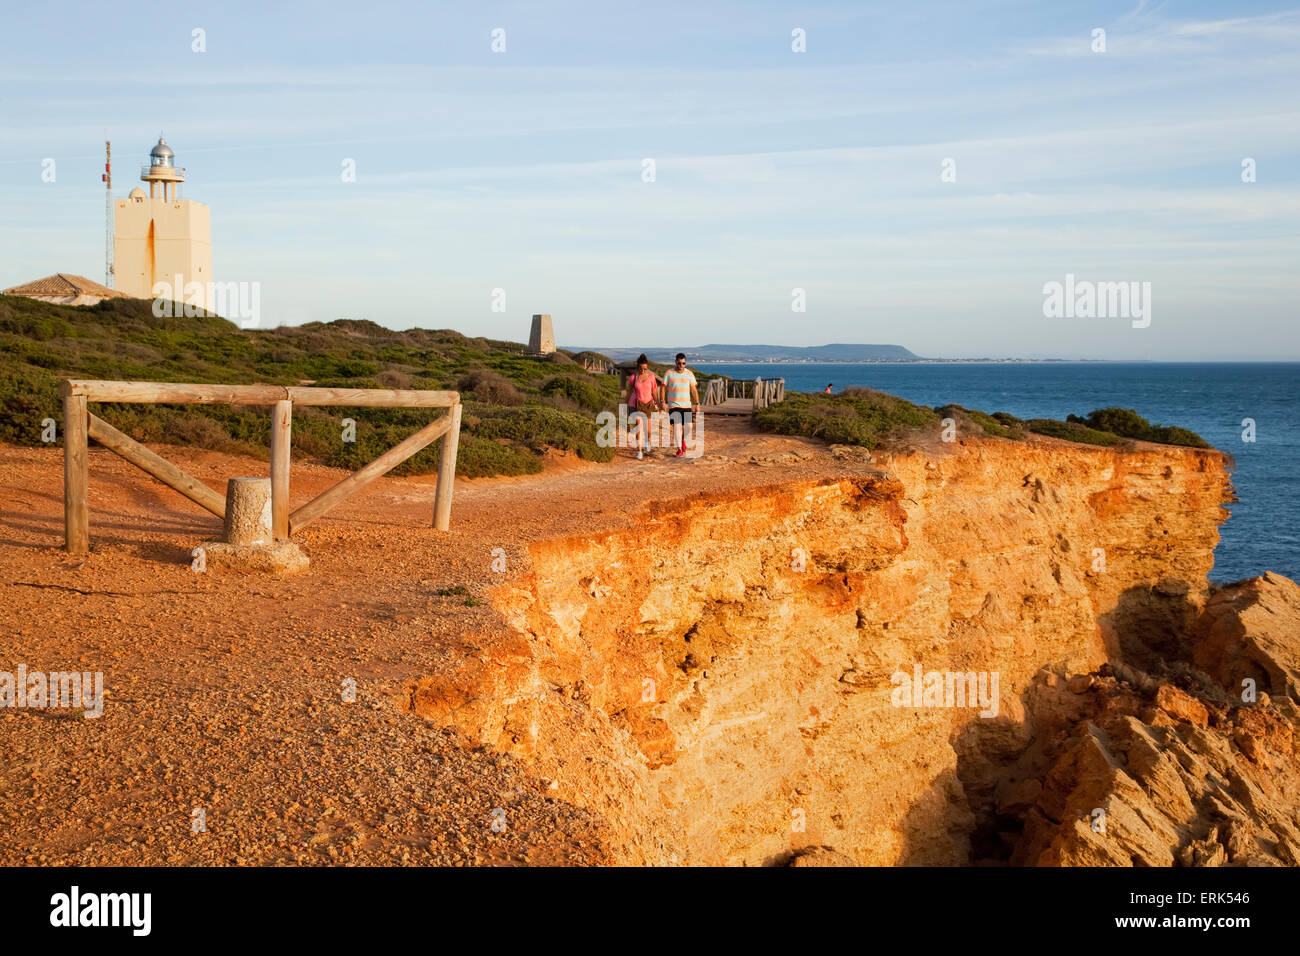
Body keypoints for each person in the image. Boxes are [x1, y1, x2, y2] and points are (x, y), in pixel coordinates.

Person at [662, 352, 700, 458]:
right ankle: (679, 449)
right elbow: (663, 387)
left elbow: (693, 389)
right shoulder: (669, 373)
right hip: (674, 405)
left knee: (688, 427)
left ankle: (683, 441)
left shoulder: (689, 373)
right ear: (675, 362)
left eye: (684, 363)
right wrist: (662, 401)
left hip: (687, 405)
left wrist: (697, 404)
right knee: (677, 427)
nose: (681, 365)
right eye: (679, 363)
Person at [625, 354, 662, 460]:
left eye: (645, 369)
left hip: (648, 404)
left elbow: (654, 391)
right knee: (639, 428)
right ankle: (639, 451)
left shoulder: (651, 377)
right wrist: (625, 403)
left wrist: (658, 403)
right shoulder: (633, 377)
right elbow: (629, 391)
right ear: (638, 367)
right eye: (641, 368)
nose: (643, 371)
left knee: (648, 430)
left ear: (647, 368)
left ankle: (648, 442)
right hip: (636, 404)